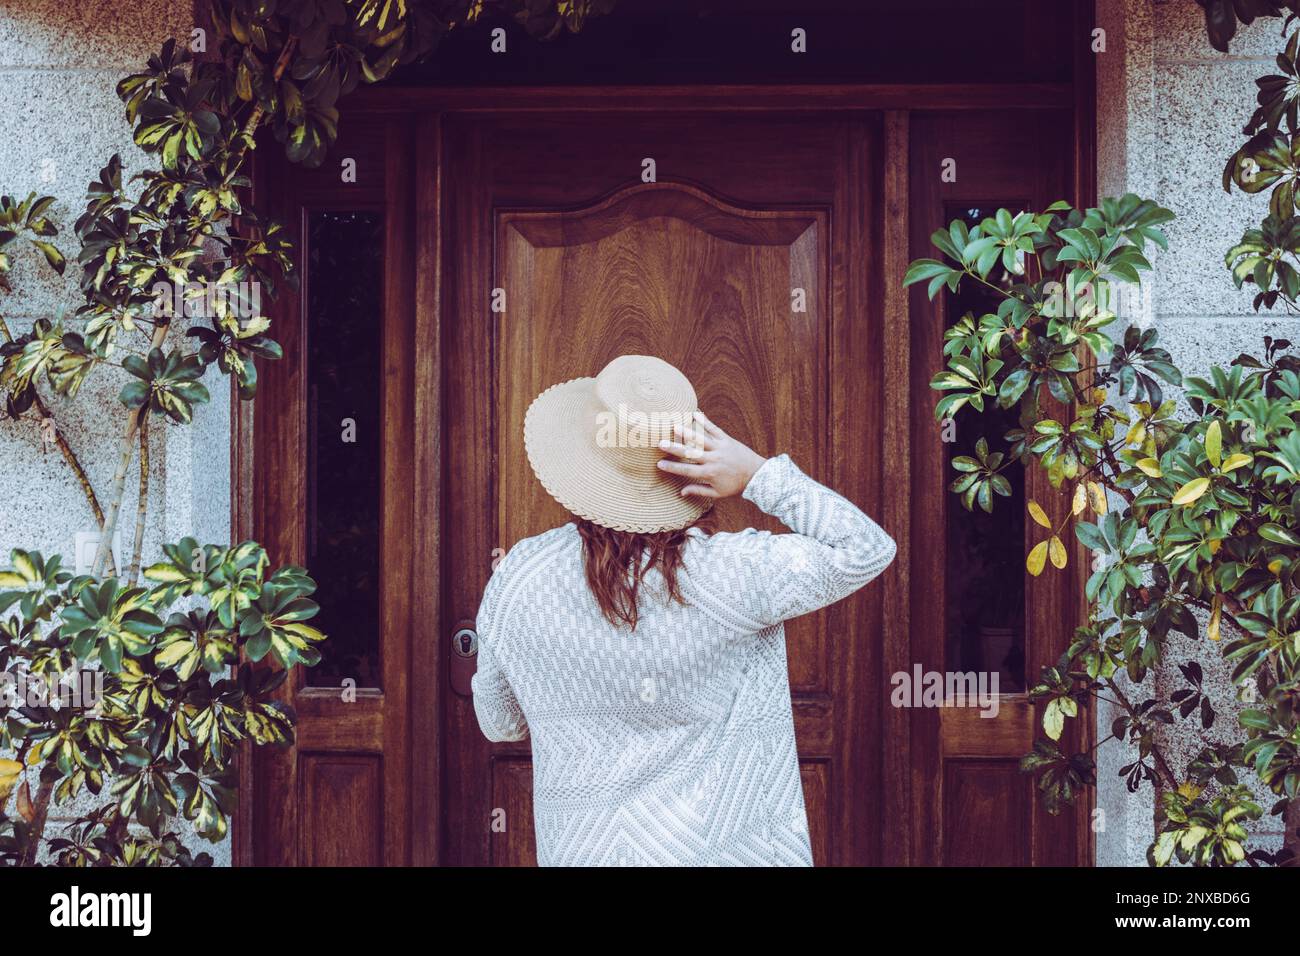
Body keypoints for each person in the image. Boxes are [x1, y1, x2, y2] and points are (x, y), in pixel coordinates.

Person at [472, 354, 897, 866]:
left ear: (580, 464)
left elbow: (500, 723)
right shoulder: (731, 574)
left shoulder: (518, 579)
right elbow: (865, 549)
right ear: (689, 463)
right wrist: (758, 475)